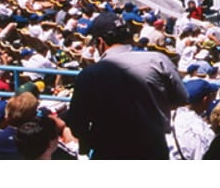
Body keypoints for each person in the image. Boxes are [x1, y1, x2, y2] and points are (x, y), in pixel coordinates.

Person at [60, 12, 185, 160]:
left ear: (100, 42)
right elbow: (181, 99)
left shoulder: (89, 75)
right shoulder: (158, 60)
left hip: (110, 151)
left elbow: (77, 125)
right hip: (154, 148)